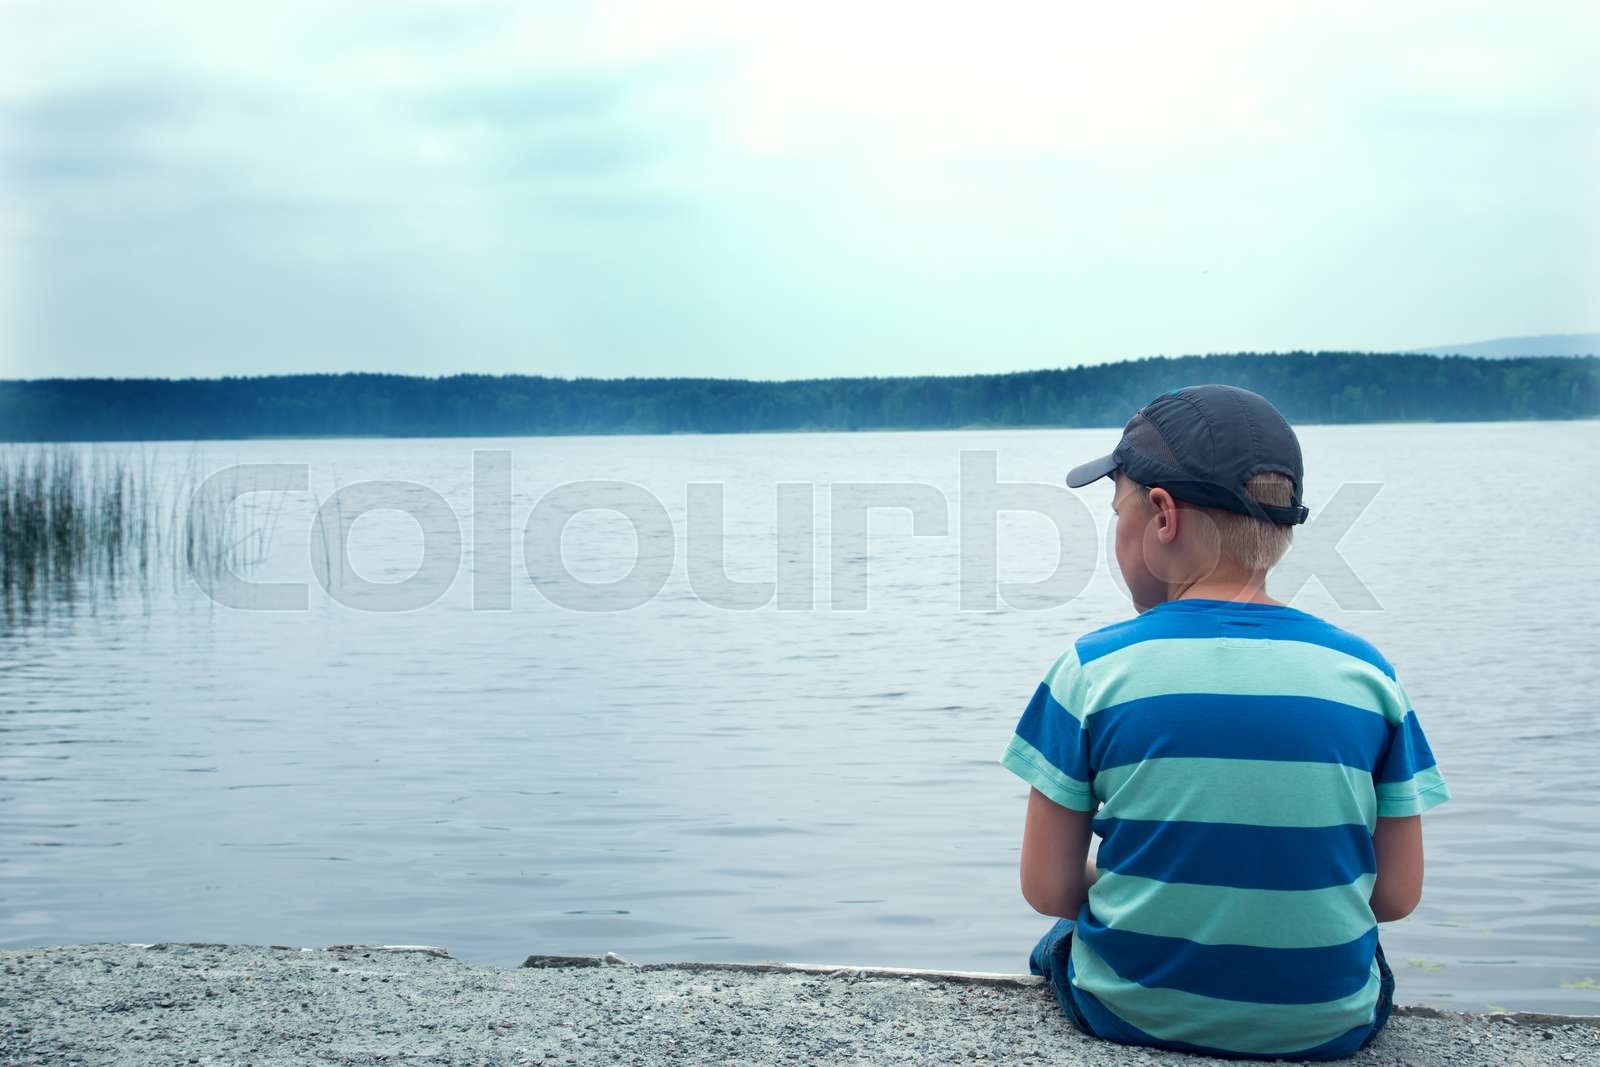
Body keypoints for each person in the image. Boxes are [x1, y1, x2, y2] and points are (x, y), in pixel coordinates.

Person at [1000, 384, 1450, 1060]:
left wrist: (1148, 881)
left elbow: (1047, 887)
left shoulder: (1091, 670)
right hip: (1328, 1027)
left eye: (1114, 506)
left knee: (1059, 943)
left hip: (1130, 1011)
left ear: (1160, 515)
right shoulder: (1369, 675)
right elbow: (1395, 894)